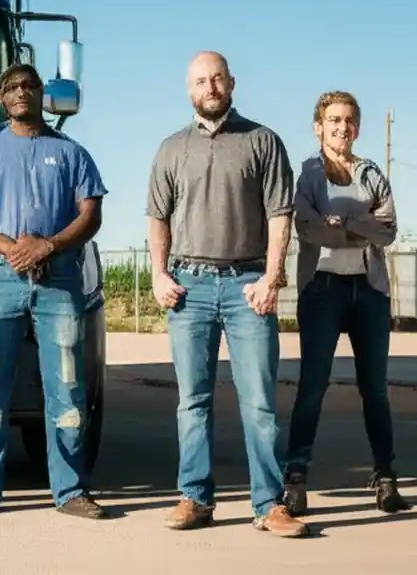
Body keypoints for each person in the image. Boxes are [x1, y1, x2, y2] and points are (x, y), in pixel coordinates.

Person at [146, 51, 308, 537]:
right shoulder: (171, 149)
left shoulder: (262, 141)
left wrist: (272, 279)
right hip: (188, 288)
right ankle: (194, 497)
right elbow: (157, 218)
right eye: (200, 80)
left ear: (232, 82)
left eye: (217, 78)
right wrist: (158, 274)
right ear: (189, 89)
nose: (210, 87)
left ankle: (269, 505)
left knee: (258, 402)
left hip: (247, 286)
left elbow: (281, 216)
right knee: (191, 400)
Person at [0, 63, 109, 519]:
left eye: (28, 86)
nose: (20, 93)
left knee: (68, 387)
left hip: (59, 281)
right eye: (10, 87)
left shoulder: (72, 153)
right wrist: (12, 249)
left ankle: (71, 491)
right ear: (2, 99)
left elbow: (90, 215)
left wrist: (48, 246)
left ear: (41, 94)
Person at [282, 90, 410, 514]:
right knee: (313, 387)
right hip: (322, 291)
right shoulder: (309, 176)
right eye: (334, 120)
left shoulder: (371, 174)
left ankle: (385, 475)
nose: (342, 127)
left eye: (349, 120)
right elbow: (307, 228)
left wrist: (345, 222)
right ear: (319, 126)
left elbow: (389, 231)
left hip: (369, 292)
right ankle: (296, 475)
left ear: (358, 127)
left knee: (375, 389)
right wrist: (359, 226)